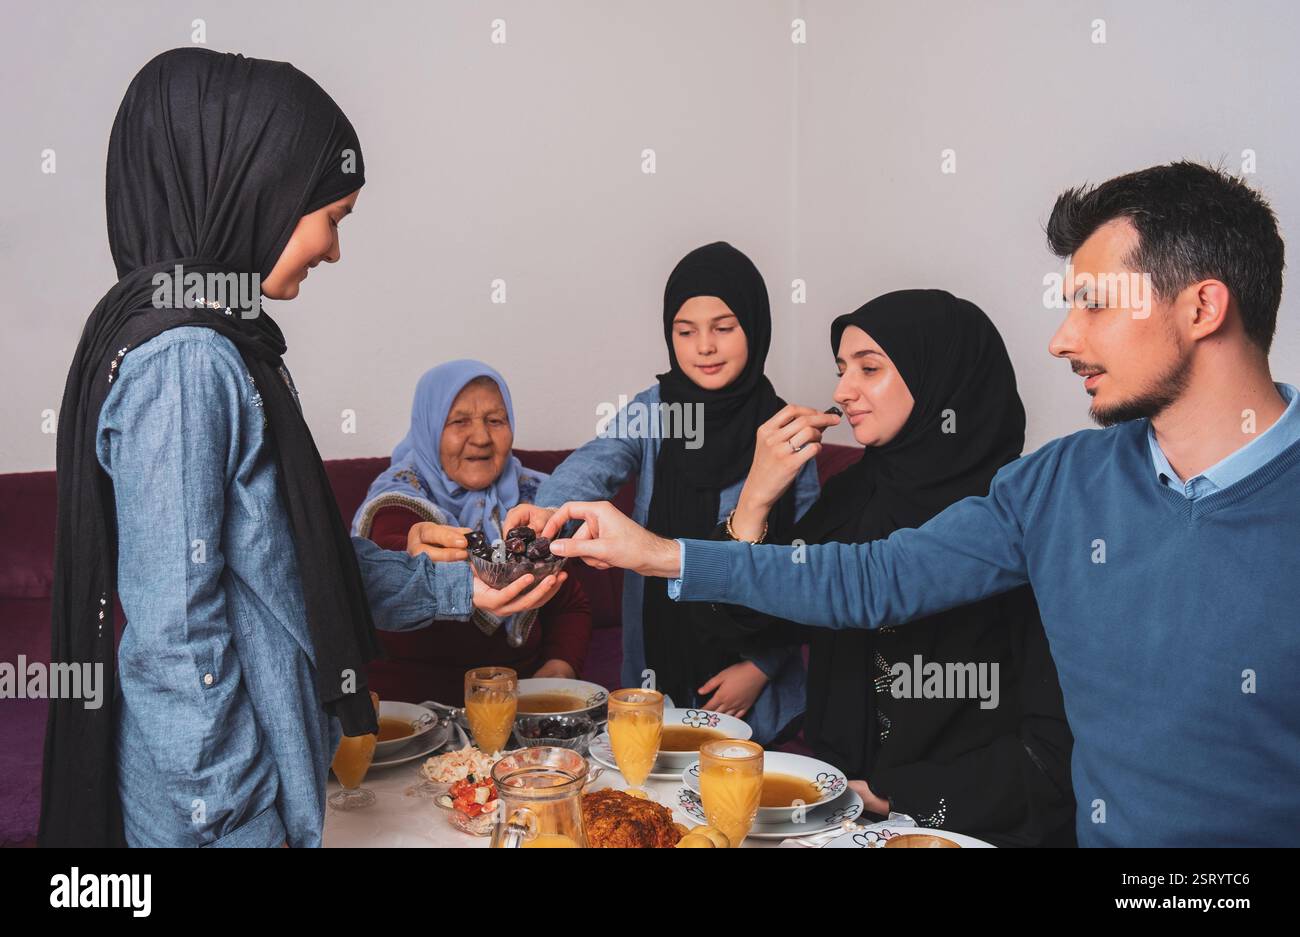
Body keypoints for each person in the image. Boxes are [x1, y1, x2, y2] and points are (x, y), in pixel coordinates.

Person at [539, 162, 1300, 846]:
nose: (1061, 339)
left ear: (1203, 308)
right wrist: (655, 552)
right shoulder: (1060, 482)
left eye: (1094, 305)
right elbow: (875, 577)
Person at [42, 49, 561, 848]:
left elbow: (288, 569)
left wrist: (464, 588)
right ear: (260, 192)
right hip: (216, 821)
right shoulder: (188, 362)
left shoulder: (219, 346)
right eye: (333, 218)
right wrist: (238, 819)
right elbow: (177, 643)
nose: (333, 249)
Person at [711, 290, 1073, 845]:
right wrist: (756, 499)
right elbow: (758, 625)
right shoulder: (854, 491)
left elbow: (1051, 752)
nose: (840, 391)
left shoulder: (1016, 512)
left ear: (941, 377)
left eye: (869, 368)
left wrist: (894, 793)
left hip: (960, 826)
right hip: (831, 811)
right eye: (840, 369)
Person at [507, 242, 818, 745]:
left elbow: (811, 564)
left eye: (724, 327)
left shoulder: (784, 431)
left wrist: (762, 666)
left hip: (753, 687)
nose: (704, 347)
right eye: (685, 331)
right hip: (656, 666)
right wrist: (547, 510)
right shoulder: (654, 410)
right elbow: (596, 461)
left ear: (755, 327)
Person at [353, 360, 592, 704]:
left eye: (496, 421)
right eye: (459, 421)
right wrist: (413, 550)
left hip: (516, 704)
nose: (481, 438)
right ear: (429, 428)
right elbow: (387, 555)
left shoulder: (535, 501)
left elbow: (568, 601)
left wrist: (560, 664)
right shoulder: (398, 499)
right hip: (416, 706)